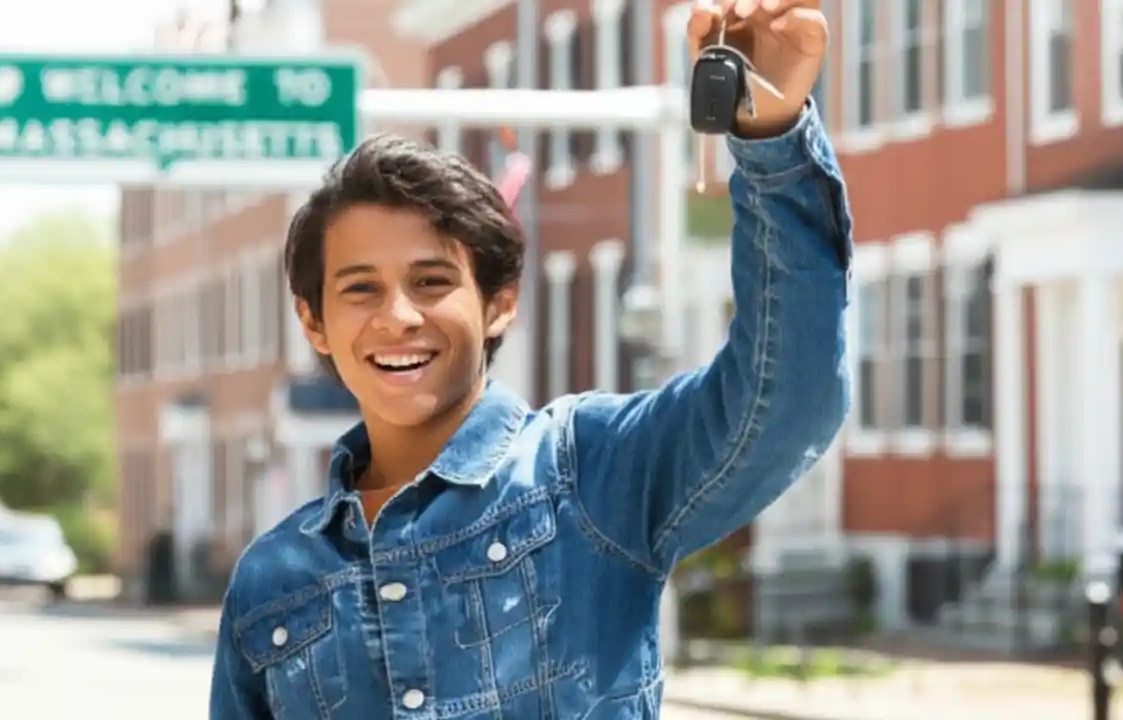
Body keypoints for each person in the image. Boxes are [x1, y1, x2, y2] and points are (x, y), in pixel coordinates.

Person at [210, 0, 851, 717]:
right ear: (314, 322)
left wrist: (772, 137)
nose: (398, 317)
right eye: (361, 289)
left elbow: (788, 400)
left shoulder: (591, 471)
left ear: (499, 302)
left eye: (432, 282)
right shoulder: (272, 582)